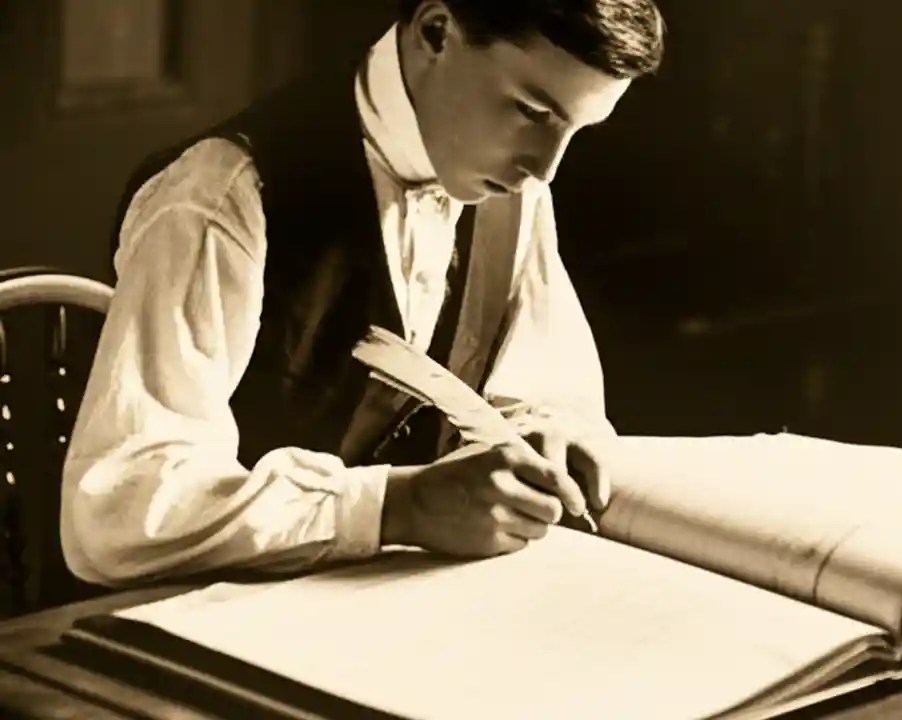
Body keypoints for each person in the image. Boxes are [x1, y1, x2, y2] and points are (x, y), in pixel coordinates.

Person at [61, 0, 666, 587]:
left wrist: (547, 430)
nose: (545, 168)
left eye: (577, 130)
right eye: (533, 112)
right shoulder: (220, 193)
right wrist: (400, 505)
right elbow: (121, 510)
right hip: (192, 627)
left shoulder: (512, 188)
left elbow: (552, 390)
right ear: (435, 31)